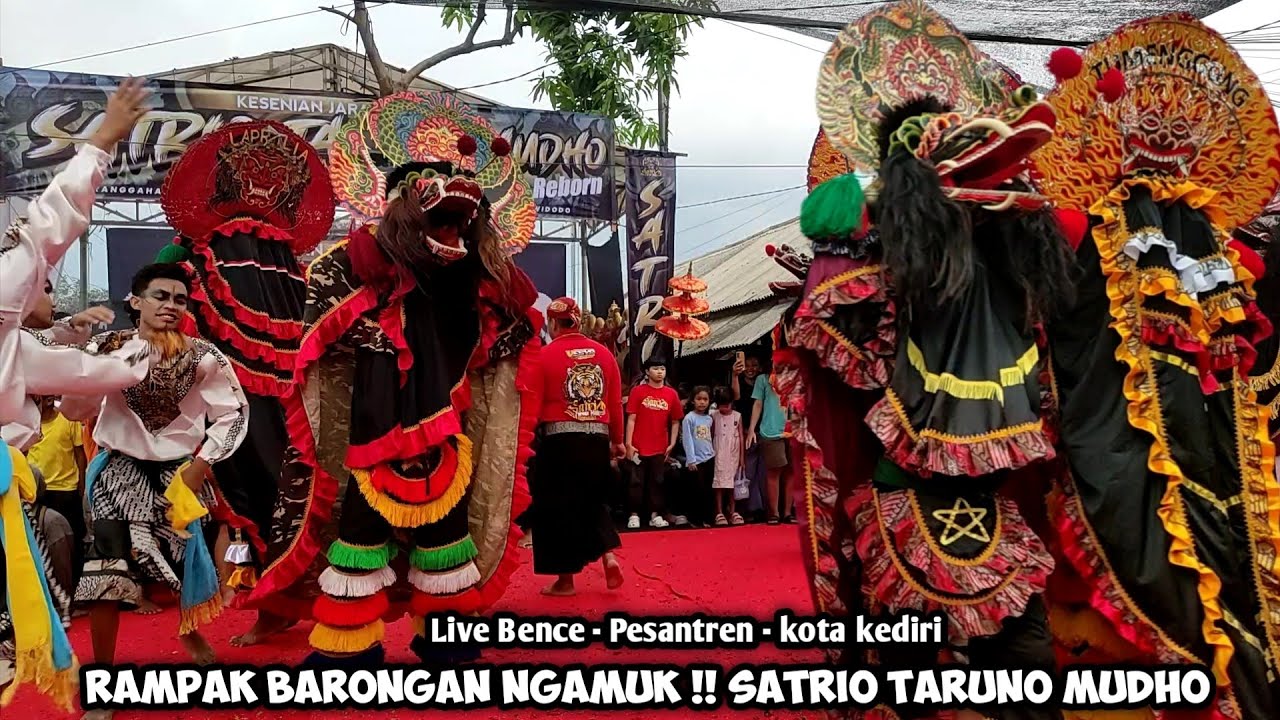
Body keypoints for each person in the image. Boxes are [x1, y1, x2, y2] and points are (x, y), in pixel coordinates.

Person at [773, 3, 1075, 718]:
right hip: (904, 504)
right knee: (908, 674)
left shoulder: (1014, 285)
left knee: (1027, 668)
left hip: (996, 511)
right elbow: (818, 323)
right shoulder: (874, 290)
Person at [1034, 14, 1280, 717]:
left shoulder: (1106, 226)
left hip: (1149, 436)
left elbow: (1069, 323)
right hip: (1207, 440)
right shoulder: (1217, 243)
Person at [245, 90, 540, 666]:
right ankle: (348, 652)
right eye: (431, 190)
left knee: (446, 538)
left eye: (461, 216)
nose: (453, 225)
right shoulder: (351, 263)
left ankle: (447, 646)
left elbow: (509, 335)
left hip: (448, 439)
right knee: (357, 535)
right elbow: (318, 339)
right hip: (370, 434)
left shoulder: (476, 279)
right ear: (400, 201)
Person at [0, 77, 152, 713]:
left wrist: (144, 349)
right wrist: (100, 143)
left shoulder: (16, 348)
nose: (46, 286)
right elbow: (42, 234)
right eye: (40, 283)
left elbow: (88, 375)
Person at [154, 118, 335, 647]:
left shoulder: (204, 258)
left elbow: (179, 330)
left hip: (244, 408)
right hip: (299, 406)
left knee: (257, 495)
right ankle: (309, 600)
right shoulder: (296, 268)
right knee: (300, 496)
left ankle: (277, 606)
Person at [62, 262, 250, 681]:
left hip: (179, 474)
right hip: (117, 468)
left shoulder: (204, 356)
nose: (170, 305)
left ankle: (190, 631)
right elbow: (74, 410)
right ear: (136, 301)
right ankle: (103, 673)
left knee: (186, 562)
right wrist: (90, 377)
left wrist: (201, 466)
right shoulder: (108, 347)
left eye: (179, 299)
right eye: (160, 296)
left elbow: (234, 413)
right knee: (105, 563)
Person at [528, 296, 625, 596]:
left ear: (554, 323)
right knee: (591, 500)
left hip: (558, 440)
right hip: (596, 438)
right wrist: (618, 442)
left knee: (553, 509)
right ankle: (608, 555)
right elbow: (614, 404)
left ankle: (565, 580)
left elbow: (533, 405)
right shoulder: (604, 355)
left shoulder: (544, 356)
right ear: (578, 321)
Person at [24, 396, 86, 589]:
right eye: (43, 392)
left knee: (73, 543)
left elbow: (80, 456)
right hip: (37, 494)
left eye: (51, 390)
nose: (48, 395)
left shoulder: (68, 419)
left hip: (66, 491)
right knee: (40, 545)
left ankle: (76, 593)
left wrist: (82, 491)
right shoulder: (26, 425)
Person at [624, 358, 681, 530]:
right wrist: (628, 443)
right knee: (636, 481)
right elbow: (631, 418)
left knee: (657, 481)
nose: (659, 372)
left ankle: (654, 514)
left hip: (660, 446)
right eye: (655, 368)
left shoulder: (671, 394)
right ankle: (633, 514)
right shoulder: (638, 391)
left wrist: (671, 444)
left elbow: (675, 421)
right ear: (647, 371)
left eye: (662, 368)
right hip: (638, 445)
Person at [746, 358, 791, 524]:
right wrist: (752, 428)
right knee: (774, 471)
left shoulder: (795, 375)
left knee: (791, 472)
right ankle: (774, 513)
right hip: (771, 430)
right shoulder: (763, 379)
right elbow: (757, 404)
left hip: (794, 429)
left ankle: (787, 512)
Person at [729, 354, 765, 518]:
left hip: (764, 430)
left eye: (754, 365)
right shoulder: (741, 383)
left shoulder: (765, 383)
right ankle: (747, 509)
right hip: (745, 431)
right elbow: (735, 396)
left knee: (763, 472)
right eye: (747, 365)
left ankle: (762, 508)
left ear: (761, 368)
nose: (750, 369)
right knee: (747, 471)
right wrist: (735, 375)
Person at [680, 386, 715, 527]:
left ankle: (707, 518)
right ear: (693, 401)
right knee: (697, 490)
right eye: (699, 399)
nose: (702, 402)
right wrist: (691, 459)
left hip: (709, 457)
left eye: (705, 399)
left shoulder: (709, 418)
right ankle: (695, 519)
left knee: (708, 490)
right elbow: (687, 440)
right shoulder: (689, 418)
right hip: (696, 461)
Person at [710, 386, 744, 526]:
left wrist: (742, 458)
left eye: (727, 405)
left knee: (733, 484)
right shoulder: (713, 416)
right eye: (721, 406)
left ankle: (732, 511)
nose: (725, 408)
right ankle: (719, 512)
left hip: (733, 453)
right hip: (718, 453)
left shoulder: (737, 416)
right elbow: (711, 435)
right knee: (718, 483)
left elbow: (741, 437)